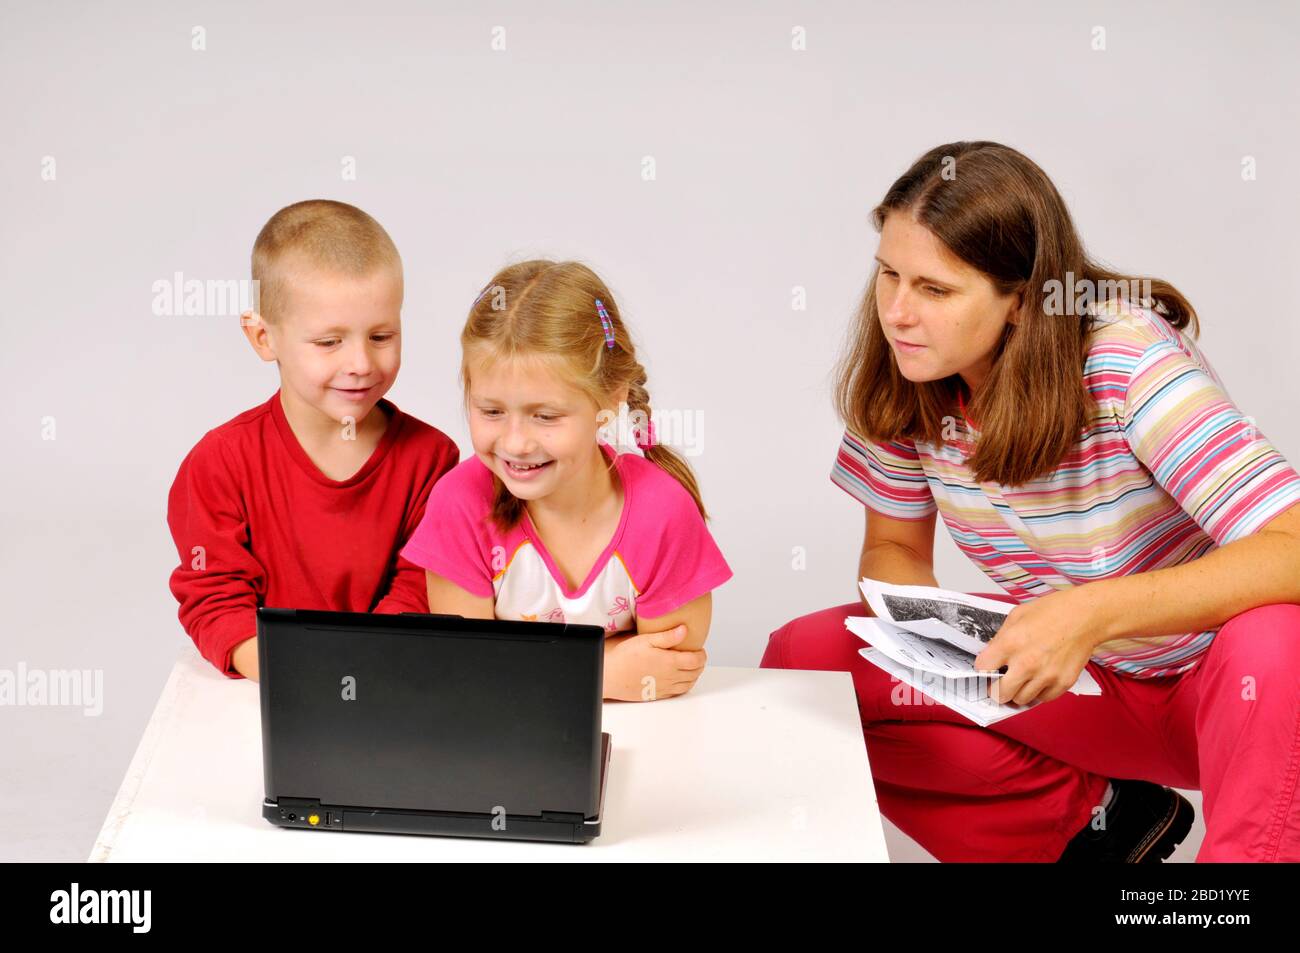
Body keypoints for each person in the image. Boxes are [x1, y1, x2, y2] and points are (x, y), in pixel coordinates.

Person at [762, 141, 1300, 862]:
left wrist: (1091, 612)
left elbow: (1292, 545)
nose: (896, 312)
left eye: (935, 289)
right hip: (1085, 687)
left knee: (1275, 638)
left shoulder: (1127, 358)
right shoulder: (909, 379)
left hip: (1227, 701)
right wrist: (937, 649)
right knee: (808, 656)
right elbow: (893, 549)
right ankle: (1093, 827)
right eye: (888, 274)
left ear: (1020, 299)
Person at [401, 260, 733, 701]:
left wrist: (519, 664)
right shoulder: (460, 503)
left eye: (546, 416)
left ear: (610, 402)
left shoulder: (662, 513)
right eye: (491, 411)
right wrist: (598, 671)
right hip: (507, 744)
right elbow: (467, 666)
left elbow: (668, 668)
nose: (516, 443)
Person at [167, 199, 459, 680]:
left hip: (391, 680)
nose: (362, 363)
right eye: (329, 342)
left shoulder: (432, 460)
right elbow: (217, 600)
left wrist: (360, 672)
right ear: (263, 338)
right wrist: (305, 676)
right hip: (273, 692)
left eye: (382, 336)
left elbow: (420, 589)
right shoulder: (218, 463)